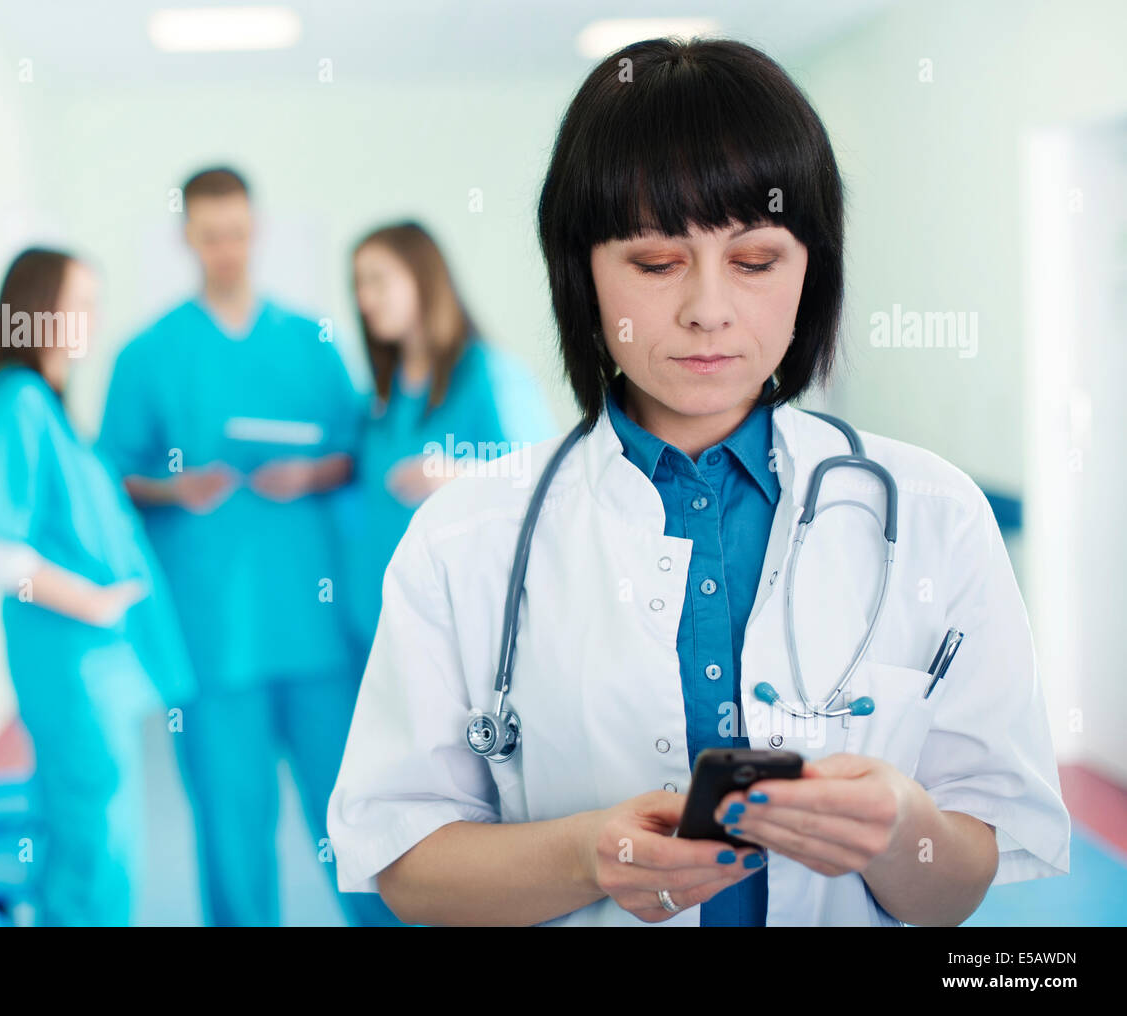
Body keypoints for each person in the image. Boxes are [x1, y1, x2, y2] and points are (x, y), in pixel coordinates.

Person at [326, 37, 1071, 927]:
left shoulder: (936, 516)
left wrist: (902, 830)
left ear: (813, 269)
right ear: (582, 275)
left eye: (756, 261)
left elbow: (957, 885)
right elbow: (405, 865)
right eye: (655, 262)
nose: (708, 308)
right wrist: (584, 855)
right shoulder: (463, 539)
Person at [98, 166, 394, 926]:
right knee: (232, 829)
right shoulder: (148, 355)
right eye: (210, 236)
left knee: (354, 818)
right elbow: (113, 477)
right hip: (215, 638)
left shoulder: (312, 341)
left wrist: (312, 471)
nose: (226, 249)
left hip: (315, 629)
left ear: (256, 231)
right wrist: (175, 486)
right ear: (187, 238)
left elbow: (360, 451)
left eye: (237, 232)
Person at [0, 247, 196, 925]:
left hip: (91, 669)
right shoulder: (21, 402)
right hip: (71, 664)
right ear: (39, 312)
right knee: (95, 846)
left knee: (97, 839)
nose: (93, 319)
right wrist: (90, 602)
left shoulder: (53, 411)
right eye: (80, 304)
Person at [345, 221, 558, 653]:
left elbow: (550, 483)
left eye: (378, 281)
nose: (364, 299)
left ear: (422, 279)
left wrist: (458, 474)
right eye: (358, 285)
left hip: (460, 622)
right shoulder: (383, 396)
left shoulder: (488, 375)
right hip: (380, 622)